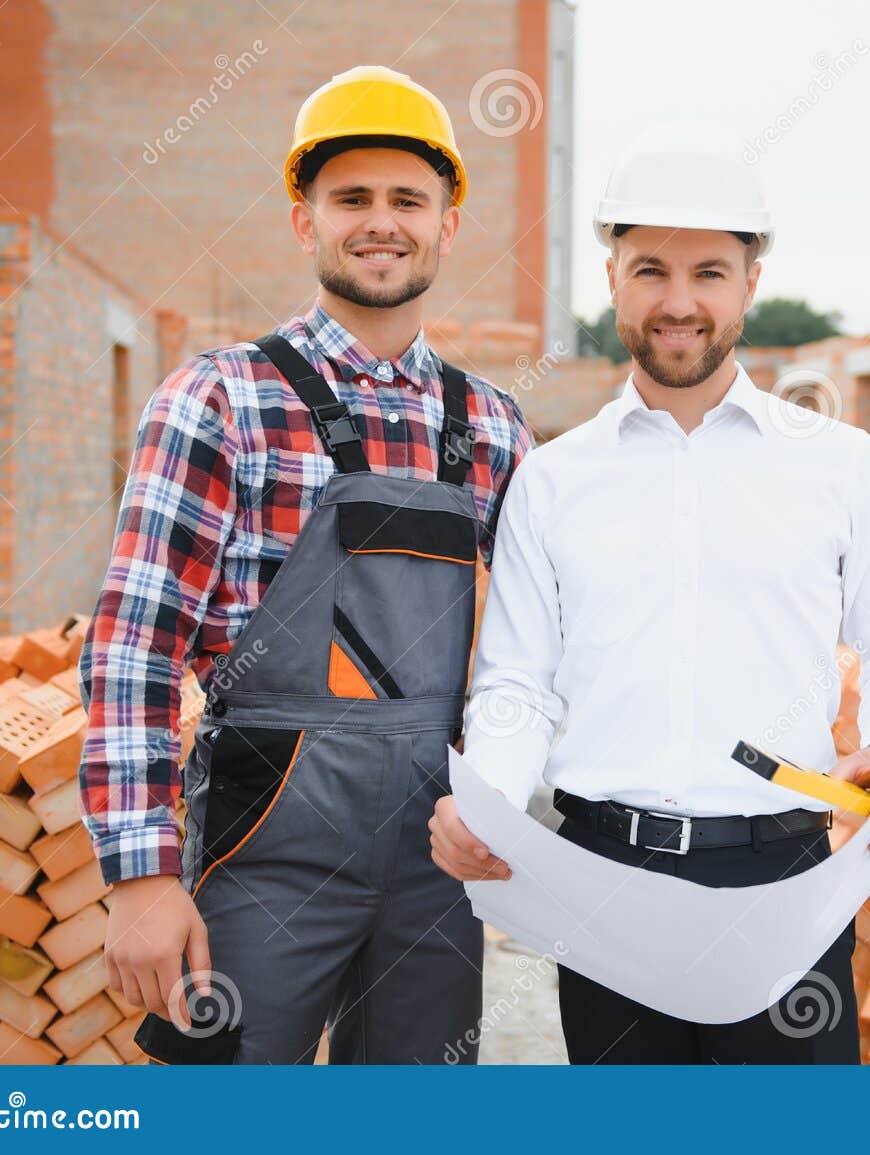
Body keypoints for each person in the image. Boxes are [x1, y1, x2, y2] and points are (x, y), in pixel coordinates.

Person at [431, 121, 870, 1063]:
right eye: (650, 271)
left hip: (784, 885)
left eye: (709, 271)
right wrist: (493, 799)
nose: (679, 302)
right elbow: (517, 686)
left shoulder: (835, 465)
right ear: (613, 280)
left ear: (751, 281)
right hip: (603, 886)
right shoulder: (555, 481)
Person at [78, 66, 533, 1064]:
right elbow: (133, 651)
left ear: (447, 224)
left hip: (432, 866)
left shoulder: (493, 429)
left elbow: (531, 653)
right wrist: (141, 876)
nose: (382, 222)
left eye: (408, 200)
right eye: (351, 200)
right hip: (260, 857)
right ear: (304, 221)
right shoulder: (221, 399)